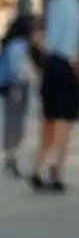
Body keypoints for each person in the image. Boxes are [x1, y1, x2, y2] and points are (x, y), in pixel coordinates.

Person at [30, 0, 79, 193]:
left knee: (48, 122)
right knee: (64, 123)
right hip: (67, 65)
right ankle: (55, 170)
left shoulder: (50, 3)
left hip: (50, 66)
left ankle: (37, 168)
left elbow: (43, 39)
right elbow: (75, 39)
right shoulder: (76, 5)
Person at [1, 14, 36, 178]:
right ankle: (12, 157)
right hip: (18, 87)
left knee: (12, 121)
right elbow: (18, 69)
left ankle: (11, 156)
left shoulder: (10, 43)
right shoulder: (19, 45)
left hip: (12, 86)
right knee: (16, 123)